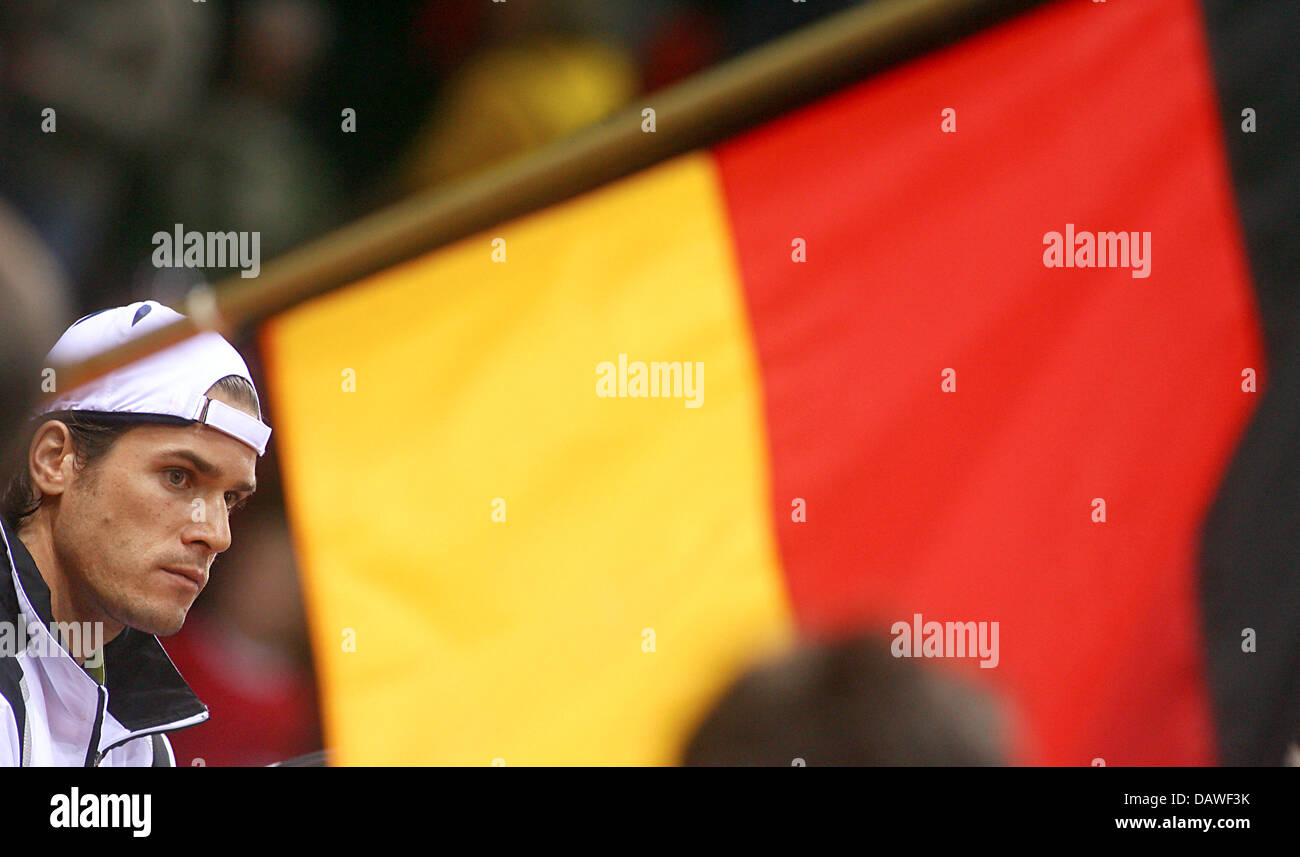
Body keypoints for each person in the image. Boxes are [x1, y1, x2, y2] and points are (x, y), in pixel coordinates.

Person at [0, 300, 271, 766]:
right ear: (53, 460)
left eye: (230, 499)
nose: (218, 535)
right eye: (178, 477)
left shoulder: (144, 749)